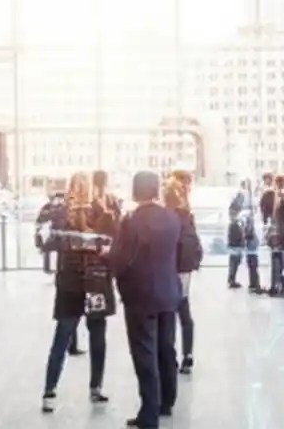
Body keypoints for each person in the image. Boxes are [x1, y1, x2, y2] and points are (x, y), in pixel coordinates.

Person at [108, 171, 182, 429]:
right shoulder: (172, 218)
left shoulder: (131, 222)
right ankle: (167, 401)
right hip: (168, 292)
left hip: (140, 296)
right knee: (166, 347)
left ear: (135, 191)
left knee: (144, 353)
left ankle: (149, 413)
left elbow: (121, 259)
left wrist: (108, 260)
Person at [41, 172, 119, 413]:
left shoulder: (59, 213)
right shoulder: (104, 212)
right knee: (97, 335)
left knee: (62, 335)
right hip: (96, 280)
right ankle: (96, 387)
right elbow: (113, 243)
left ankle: (49, 391)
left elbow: (46, 243)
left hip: (69, 280)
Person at [164, 172, 202, 374]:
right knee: (184, 310)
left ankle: (170, 355)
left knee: (168, 312)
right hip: (184, 268)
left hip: (169, 268)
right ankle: (188, 354)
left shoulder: (166, 216)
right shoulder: (187, 215)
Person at [227, 179, 262, 291]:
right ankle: (252, 281)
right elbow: (234, 212)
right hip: (243, 229)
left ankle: (250, 280)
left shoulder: (248, 196)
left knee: (243, 256)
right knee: (243, 256)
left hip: (247, 229)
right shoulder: (242, 196)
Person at [264, 175, 284, 298]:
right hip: (279, 233)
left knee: (280, 261)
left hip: (279, 233)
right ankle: (279, 286)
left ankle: (279, 285)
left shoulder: (282, 198)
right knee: (280, 261)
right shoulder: (276, 197)